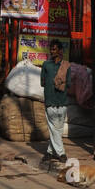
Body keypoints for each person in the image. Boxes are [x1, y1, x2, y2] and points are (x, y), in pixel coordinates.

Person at [39, 39, 71, 168]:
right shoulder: (46, 65)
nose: (52, 51)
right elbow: (42, 82)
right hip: (51, 103)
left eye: (54, 49)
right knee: (54, 129)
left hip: (62, 103)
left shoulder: (66, 66)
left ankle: (50, 152)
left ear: (60, 51)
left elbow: (68, 84)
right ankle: (61, 153)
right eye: (51, 49)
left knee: (56, 130)